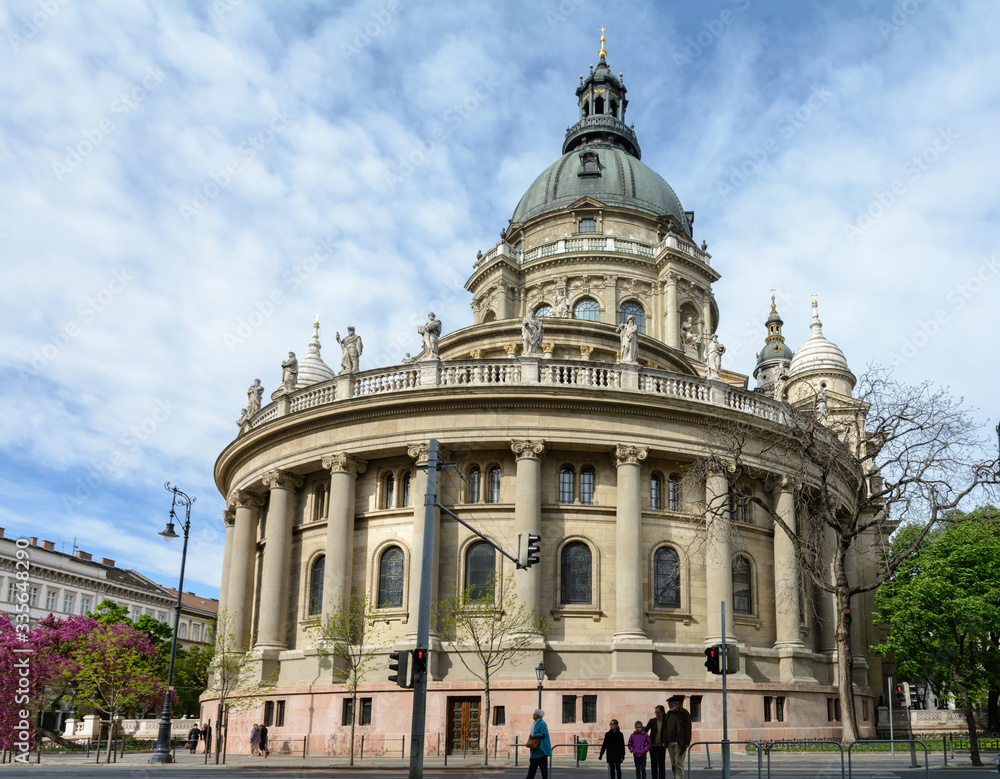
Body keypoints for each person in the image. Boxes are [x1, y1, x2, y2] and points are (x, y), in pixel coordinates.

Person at [664, 695, 692, 779]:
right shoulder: (669, 713)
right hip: (670, 742)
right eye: (669, 704)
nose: (669, 706)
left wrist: (687, 742)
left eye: (670, 704)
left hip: (679, 742)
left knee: (679, 763)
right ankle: (676, 777)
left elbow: (688, 728)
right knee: (673, 763)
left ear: (677, 704)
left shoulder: (684, 713)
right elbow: (665, 727)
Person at [525, 708, 551, 779]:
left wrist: (534, 736)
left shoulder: (542, 723)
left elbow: (544, 733)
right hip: (534, 751)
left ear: (538, 715)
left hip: (541, 751)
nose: (533, 714)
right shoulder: (535, 723)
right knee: (531, 772)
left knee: (543, 772)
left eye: (535, 713)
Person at [644, 704, 668, 779]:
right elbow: (645, 731)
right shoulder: (652, 721)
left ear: (663, 712)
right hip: (653, 746)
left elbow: (668, 733)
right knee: (653, 764)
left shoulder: (666, 721)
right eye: (656, 712)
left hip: (662, 746)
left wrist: (665, 742)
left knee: (661, 765)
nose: (657, 714)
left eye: (658, 712)